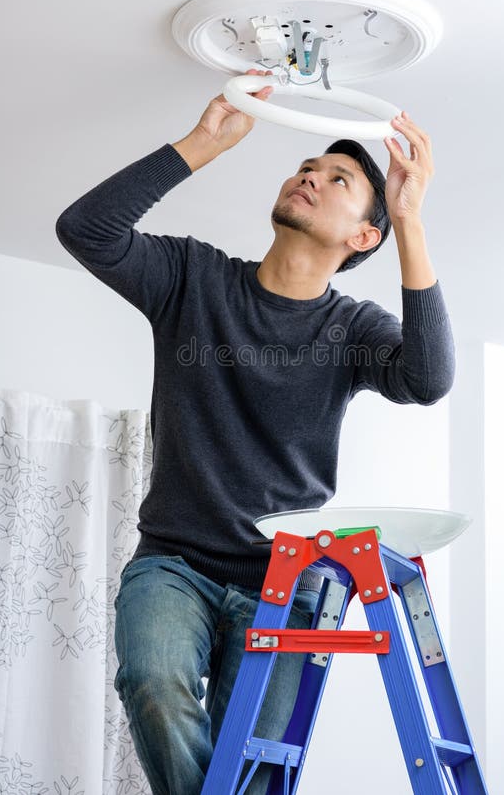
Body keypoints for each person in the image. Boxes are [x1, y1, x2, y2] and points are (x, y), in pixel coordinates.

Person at [55, 68, 455, 794]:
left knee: (261, 767)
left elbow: (427, 380)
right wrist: (202, 143)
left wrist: (410, 221)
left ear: (364, 233)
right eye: (307, 164)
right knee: (153, 682)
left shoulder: (353, 329)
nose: (311, 175)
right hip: (173, 562)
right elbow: (84, 230)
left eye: (338, 178)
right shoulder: (192, 278)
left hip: (286, 579)